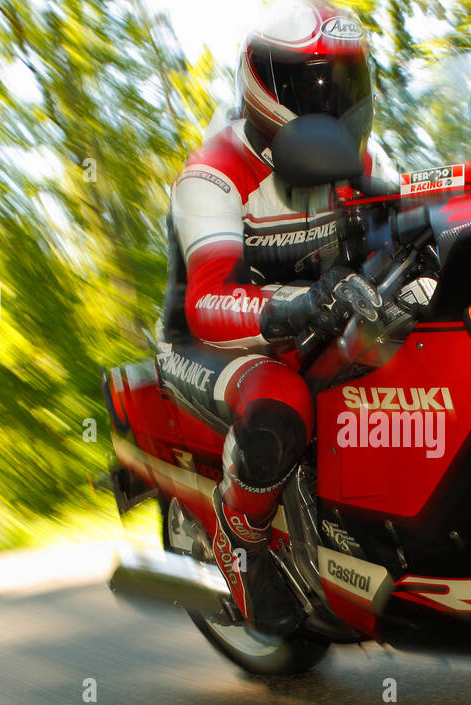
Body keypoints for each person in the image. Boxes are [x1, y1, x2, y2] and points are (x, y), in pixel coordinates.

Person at [159, 0, 385, 633]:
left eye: (344, 84)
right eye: (312, 87)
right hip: (210, 339)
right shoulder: (213, 177)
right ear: (264, 85)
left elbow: (416, 202)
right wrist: (300, 303)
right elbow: (206, 303)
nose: (332, 105)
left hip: (309, 320)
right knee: (280, 408)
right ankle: (242, 534)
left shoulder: (357, 158)